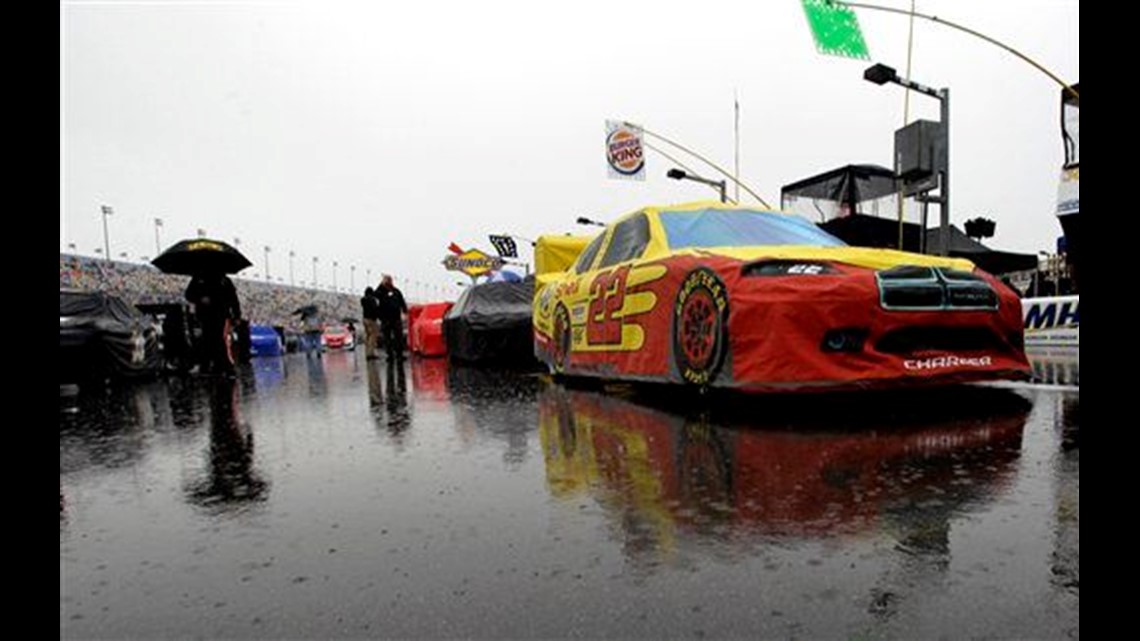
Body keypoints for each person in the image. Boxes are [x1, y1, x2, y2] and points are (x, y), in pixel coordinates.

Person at [185, 272, 242, 374]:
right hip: (205, 315)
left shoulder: (224, 281)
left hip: (221, 315)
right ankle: (207, 365)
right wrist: (200, 298)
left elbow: (233, 298)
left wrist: (236, 314)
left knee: (220, 339)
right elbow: (189, 294)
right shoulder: (199, 278)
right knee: (207, 340)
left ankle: (222, 365)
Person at [376, 275, 407, 360]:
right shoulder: (381, 291)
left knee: (398, 337)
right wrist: (381, 285)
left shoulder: (396, 291)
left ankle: (399, 354)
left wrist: (405, 311)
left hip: (396, 318)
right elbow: (376, 296)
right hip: (385, 319)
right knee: (387, 337)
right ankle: (390, 355)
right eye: (387, 280)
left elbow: (402, 301)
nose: (389, 282)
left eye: (390, 280)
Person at [361, 287, 381, 360]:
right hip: (371, 320)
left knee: (368, 336)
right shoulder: (372, 300)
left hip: (365, 319)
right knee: (373, 336)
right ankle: (371, 354)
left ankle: (367, 352)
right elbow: (375, 309)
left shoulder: (363, 300)